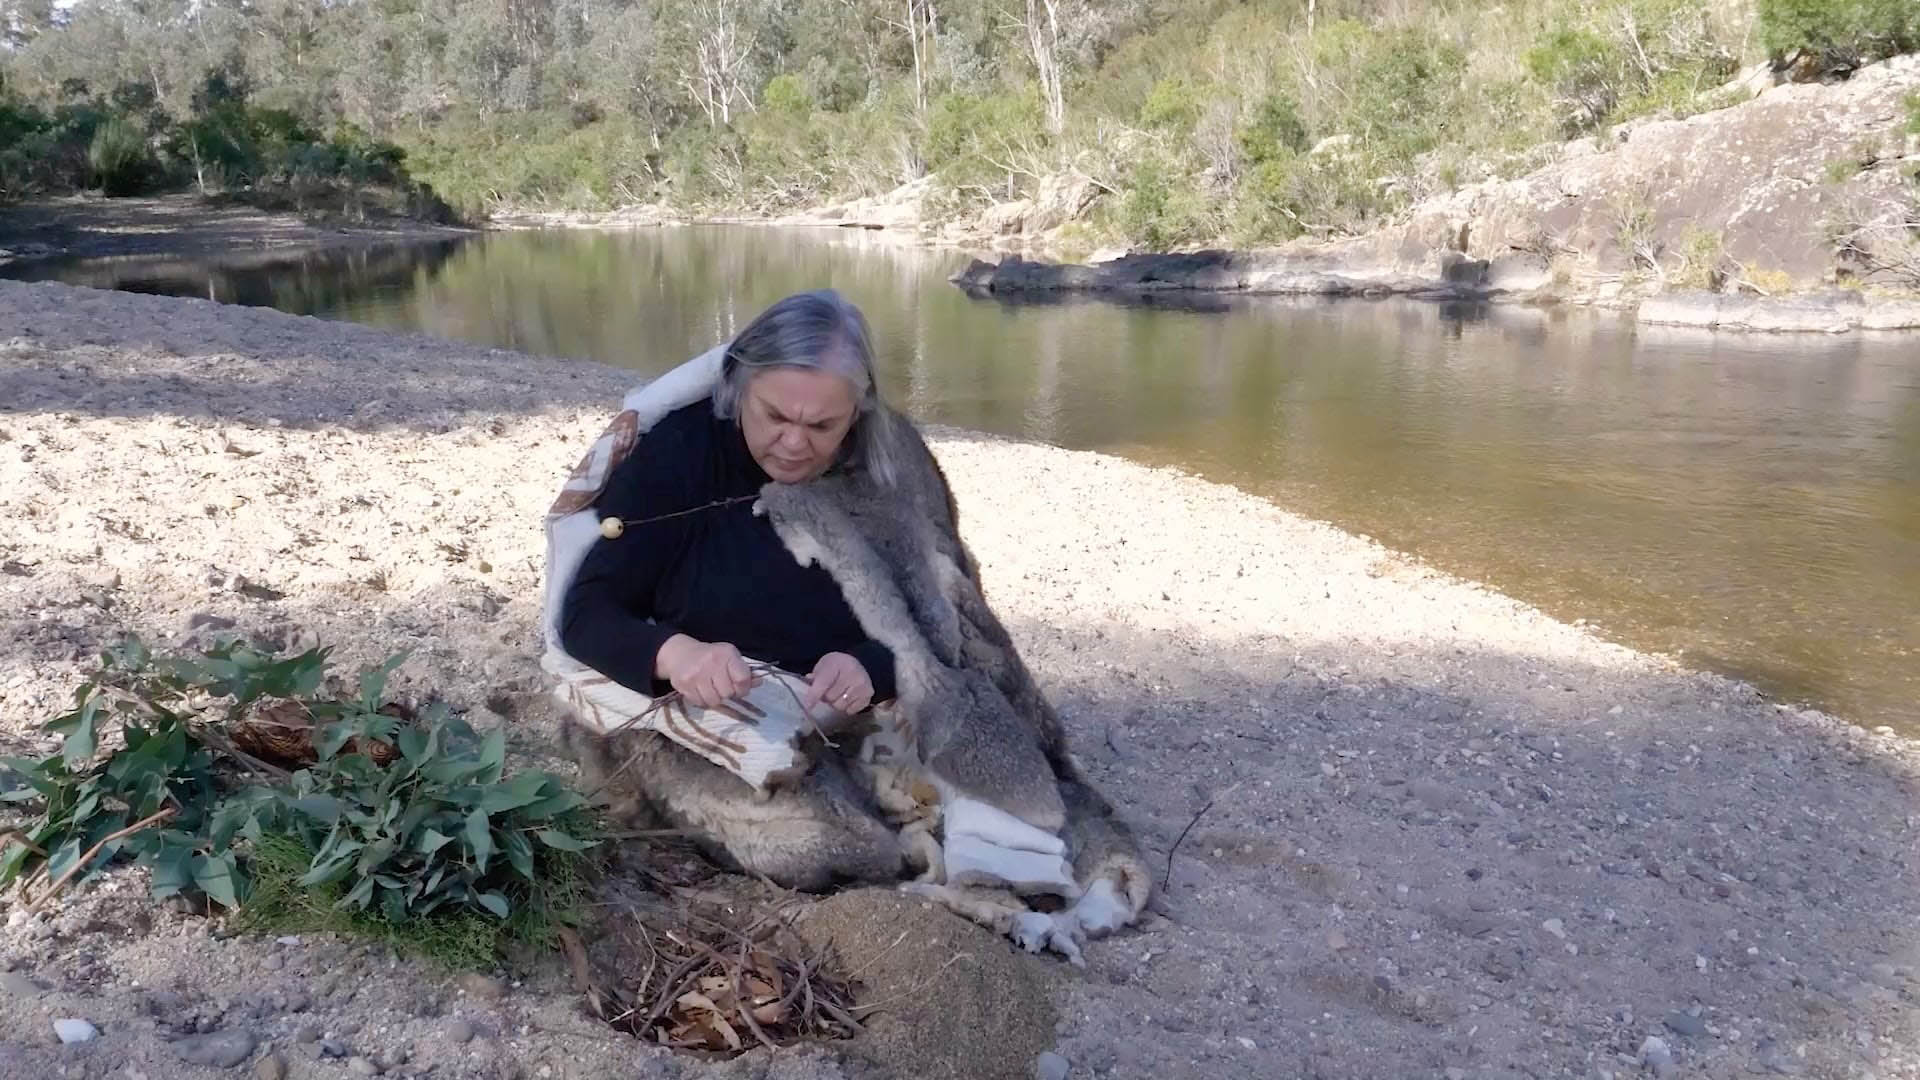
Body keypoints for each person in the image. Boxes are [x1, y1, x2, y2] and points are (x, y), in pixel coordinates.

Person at [559, 289, 897, 721]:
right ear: (739, 389)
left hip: (840, 716)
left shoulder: (888, 477)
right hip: (711, 709)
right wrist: (675, 655)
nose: (795, 443)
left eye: (822, 425)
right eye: (776, 416)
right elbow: (586, 613)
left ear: (856, 414)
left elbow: (943, 623)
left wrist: (870, 667)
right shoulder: (678, 454)